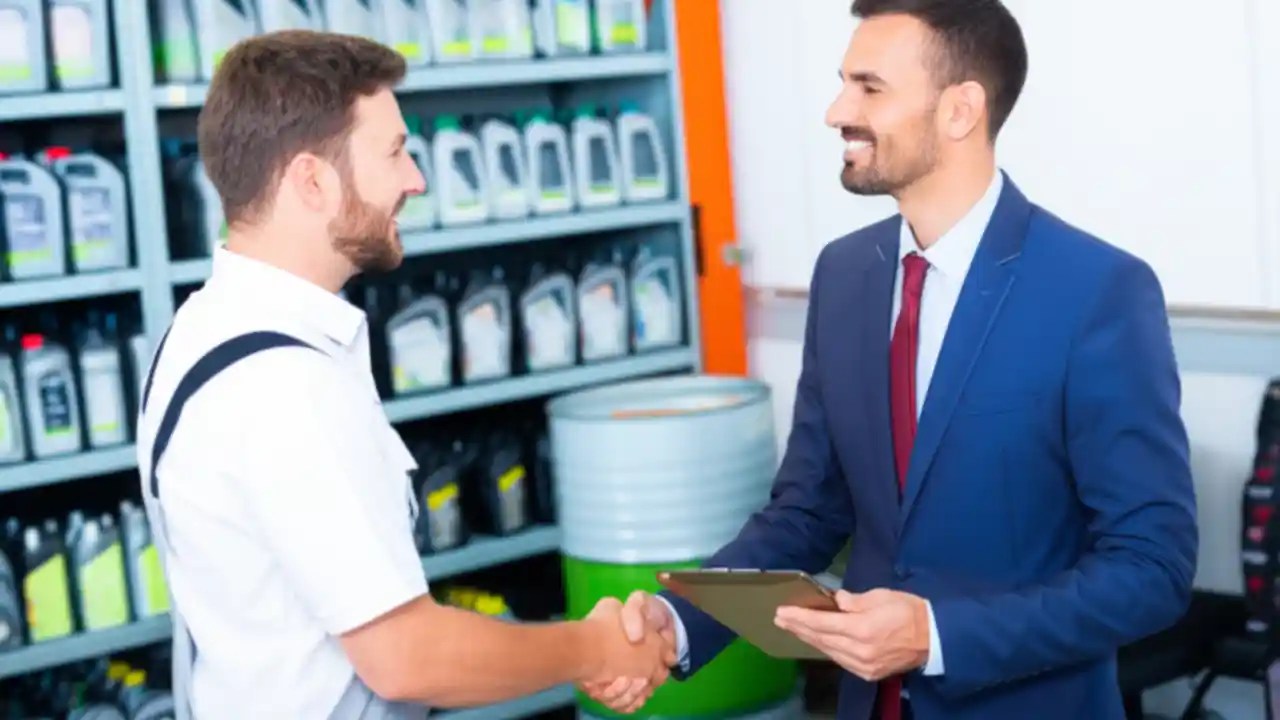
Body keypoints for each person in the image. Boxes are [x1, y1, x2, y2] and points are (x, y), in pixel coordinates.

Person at [582, 1, 1199, 718]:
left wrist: (936, 634)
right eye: (844, 82)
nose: (836, 109)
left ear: (960, 109)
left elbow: (1151, 568)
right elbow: (808, 510)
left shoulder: (1096, 290)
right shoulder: (845, 274)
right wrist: (680, 618)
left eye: (869, 88)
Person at [136, 31, 671, 719]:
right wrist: (595, 649)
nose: (415, 178)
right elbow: (409, 658)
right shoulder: (283, 387)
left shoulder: (203, 328)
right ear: (312, 181)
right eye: (392, 151)